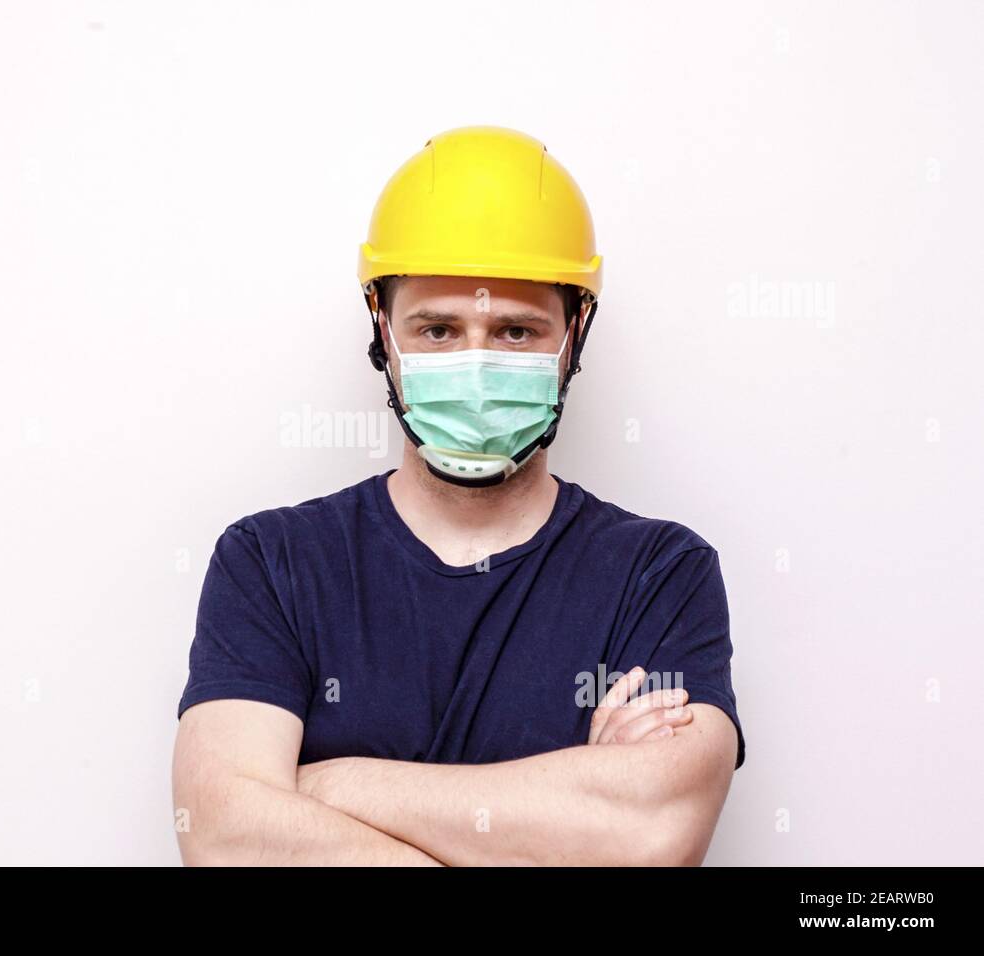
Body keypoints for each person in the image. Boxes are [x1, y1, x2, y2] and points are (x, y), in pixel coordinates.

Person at [172, 126, 745, 866]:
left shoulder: (659, 572)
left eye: (514, 332)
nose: (475, 365)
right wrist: (559, 827)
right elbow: (227, 838)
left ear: (574, 335)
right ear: (383, 329)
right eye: (439, 329)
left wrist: (326, 787)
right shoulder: (272, 562)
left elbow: (648, 837)